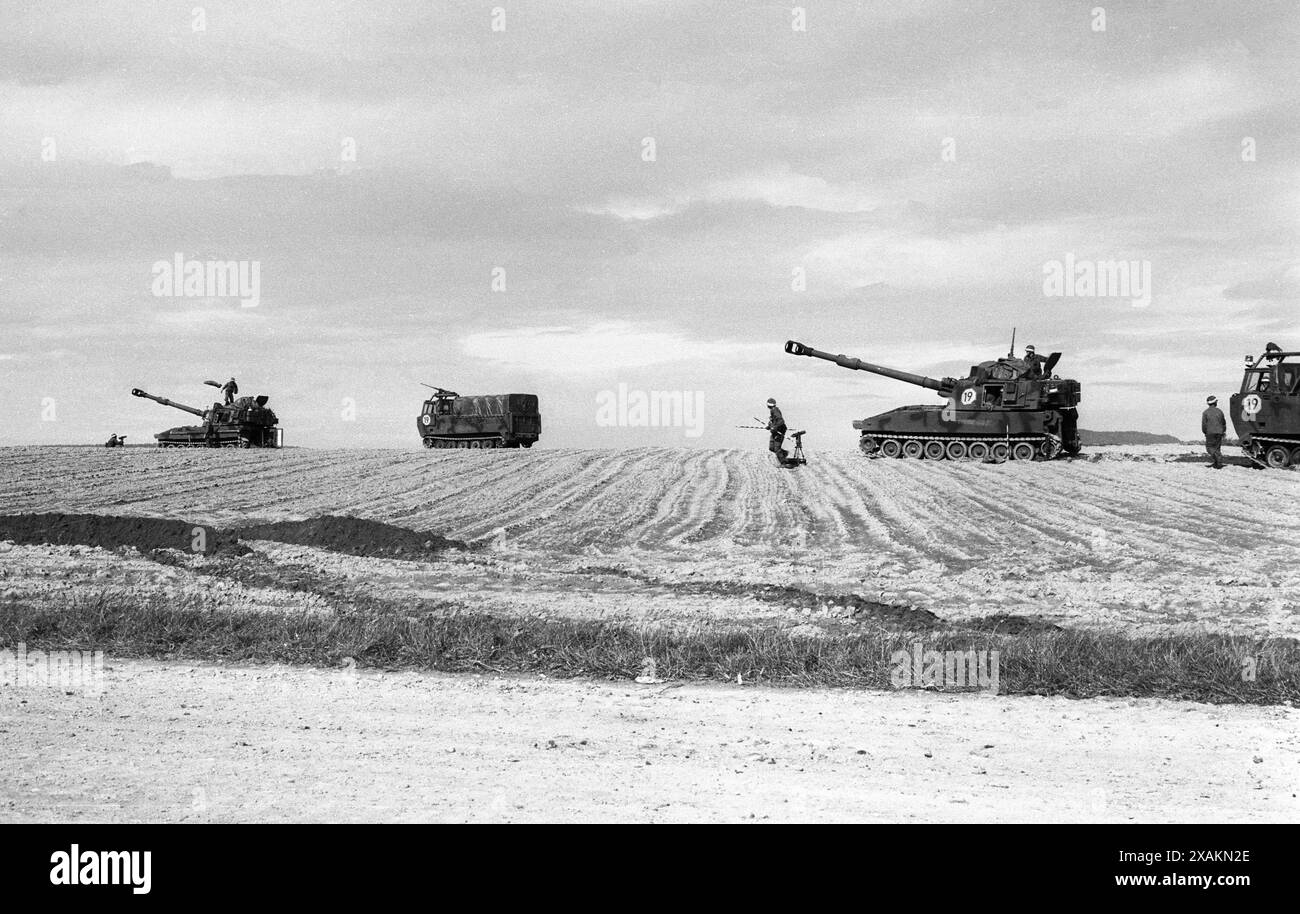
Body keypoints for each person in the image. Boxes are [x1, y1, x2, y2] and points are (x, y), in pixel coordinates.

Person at [1202, 395, 1226, 469]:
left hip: (1210, 432)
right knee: (1217, 448)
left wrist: (1205, 432)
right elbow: (1223, 422)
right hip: (1219, 432)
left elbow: (1204, 425)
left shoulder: (1205, 412)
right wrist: (1223, 431)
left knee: (1209, 448)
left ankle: (1219, 459)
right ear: (1215, 403)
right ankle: (1217, 463)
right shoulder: (1220, 411)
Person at [765, 397, 789, 466]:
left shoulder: (775, 410)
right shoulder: (772, 411)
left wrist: (774, 427)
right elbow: (773, 421)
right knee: (771, 447)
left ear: (768, 405)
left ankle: (783, 463)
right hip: (775, 432)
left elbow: (781, 421)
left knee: (777, 448)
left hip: (780, 432)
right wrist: (769, 426)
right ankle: (784, 453)